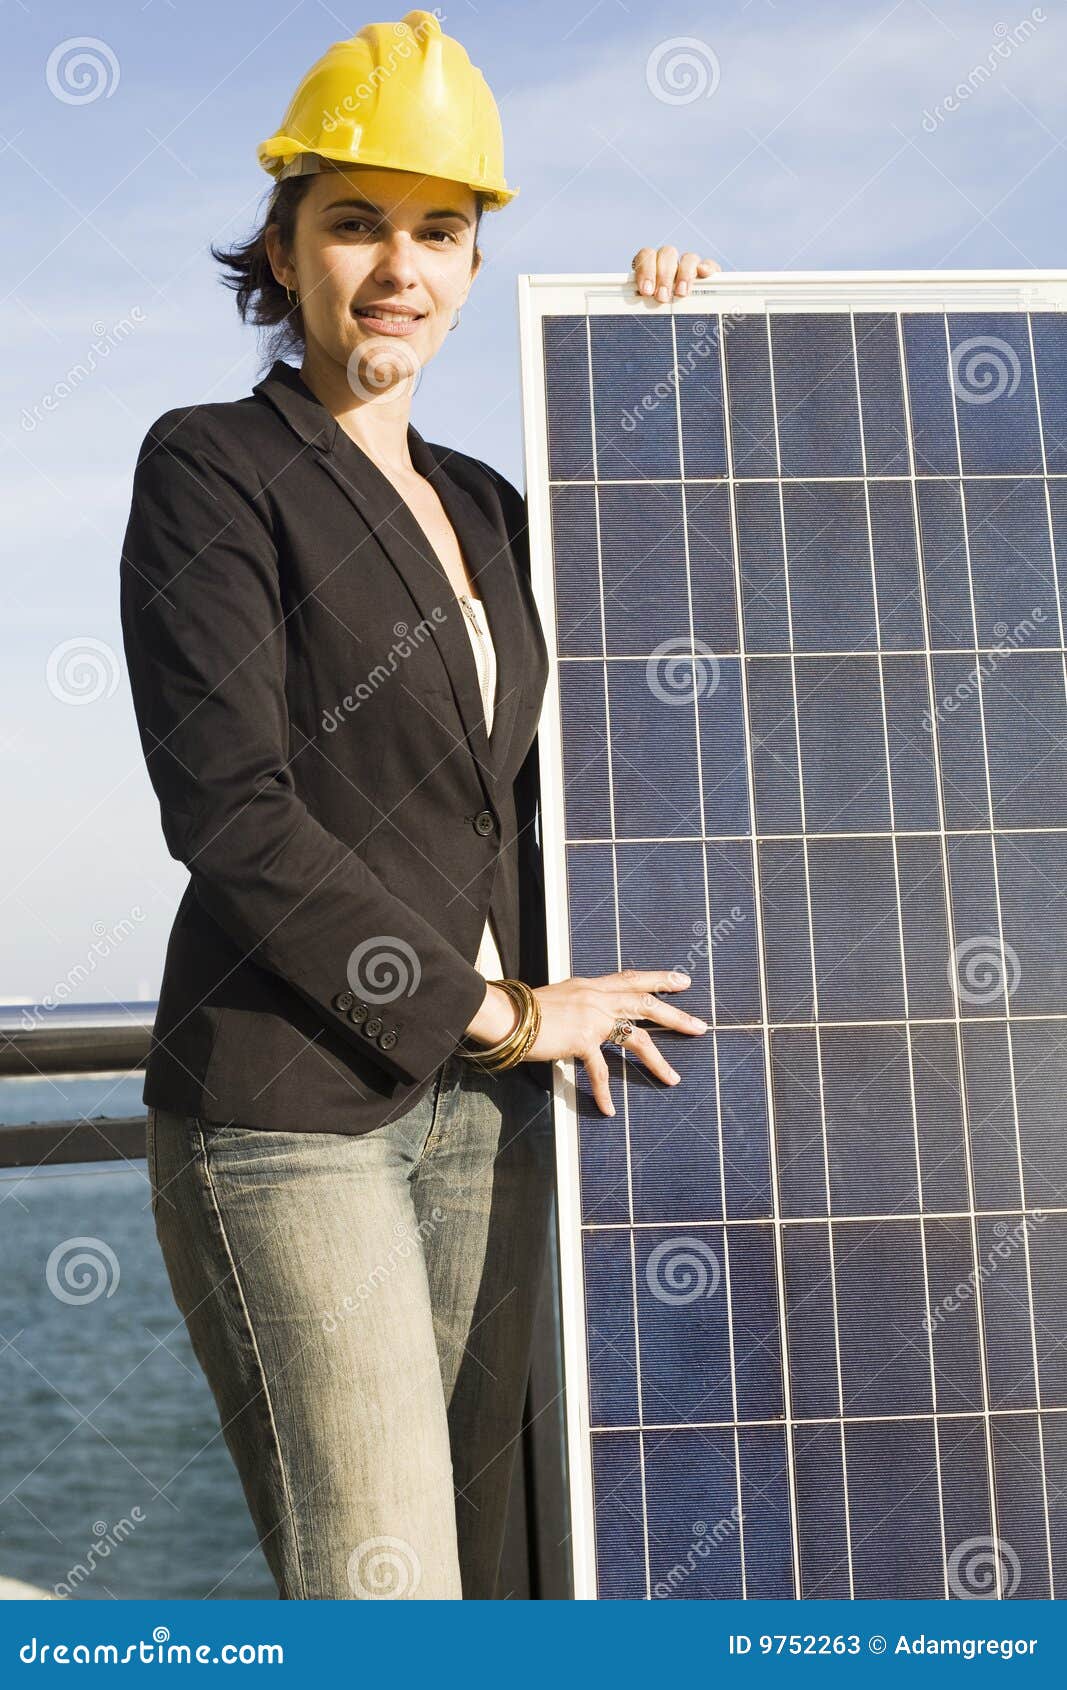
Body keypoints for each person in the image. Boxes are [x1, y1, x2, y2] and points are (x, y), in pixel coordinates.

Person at [119, 8, 717, 1600]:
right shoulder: (212, 467)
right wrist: (501, 1010)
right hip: (288, 1110)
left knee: (476, 1569)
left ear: (474, 259)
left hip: (483, 1117)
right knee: (381, 1587)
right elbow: (232, 812)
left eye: (440, 230)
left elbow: (679, 654)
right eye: (357, 222)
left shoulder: (490, 505)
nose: (401, 265)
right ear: (284, 240)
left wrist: (675, 362)